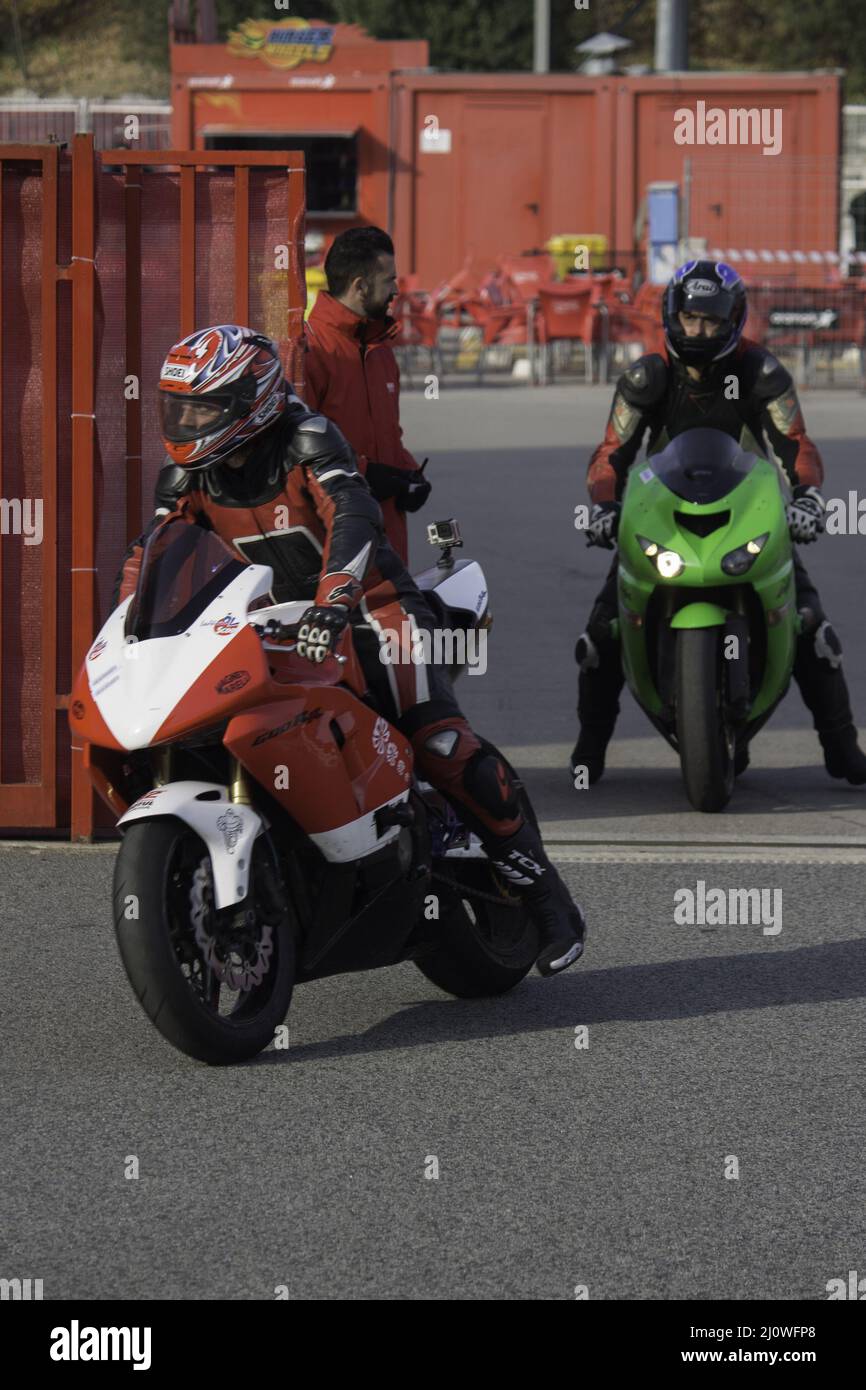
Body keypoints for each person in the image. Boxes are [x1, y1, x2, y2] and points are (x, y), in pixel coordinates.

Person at [114, 324, 585, 976]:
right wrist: (135, 624)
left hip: (370, 608)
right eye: (179, 407)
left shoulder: (306, 438)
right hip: (276, 622)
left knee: (440, 744)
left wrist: (335, 600)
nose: (188, 421)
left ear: (250, 398)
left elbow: (353, 513)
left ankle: (545, 894)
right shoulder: (188, 476)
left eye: (203, 408)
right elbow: (152, 555)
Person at [571, 259, 866, 786]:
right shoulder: (648, 376)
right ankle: (589, 752)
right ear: (671, 316)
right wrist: (604, 506)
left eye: (710, 320)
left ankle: (843, 750)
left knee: (809, 623)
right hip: (662, 513)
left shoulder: (761, 373)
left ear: (732, 320)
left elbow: (795, 443)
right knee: (603, 631)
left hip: (746, 509)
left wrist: (808, 499)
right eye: (689, 319)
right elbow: (612, 451)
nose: (698, 331)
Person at [303, 226, 430, 565]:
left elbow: (389, 434)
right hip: (335, 541)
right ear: (360, 286)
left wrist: (408, 472)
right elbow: (298, 454)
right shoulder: (311, 351)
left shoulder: (381, 351)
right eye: (389, 280)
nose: (396, 291)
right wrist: (365, 474)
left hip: (388, 538)